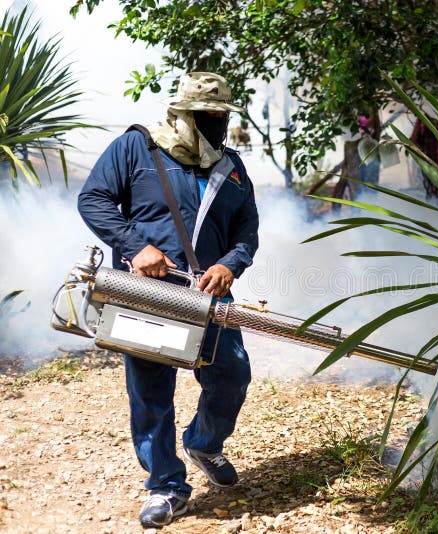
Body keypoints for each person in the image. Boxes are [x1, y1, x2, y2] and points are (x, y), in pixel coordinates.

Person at [77, 72, 259, 528]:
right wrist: (135, 247)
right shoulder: (136, 147)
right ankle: (166, 486)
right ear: (182, 114)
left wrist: (229, 265)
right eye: (207, 116)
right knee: (151, 391)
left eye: (222, 115)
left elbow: (247, 232)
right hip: (148, 293)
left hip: (210, 296)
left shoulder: (232, 166)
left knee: (232, 374)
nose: (217, 124)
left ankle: (204, 444)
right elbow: (93, 200)